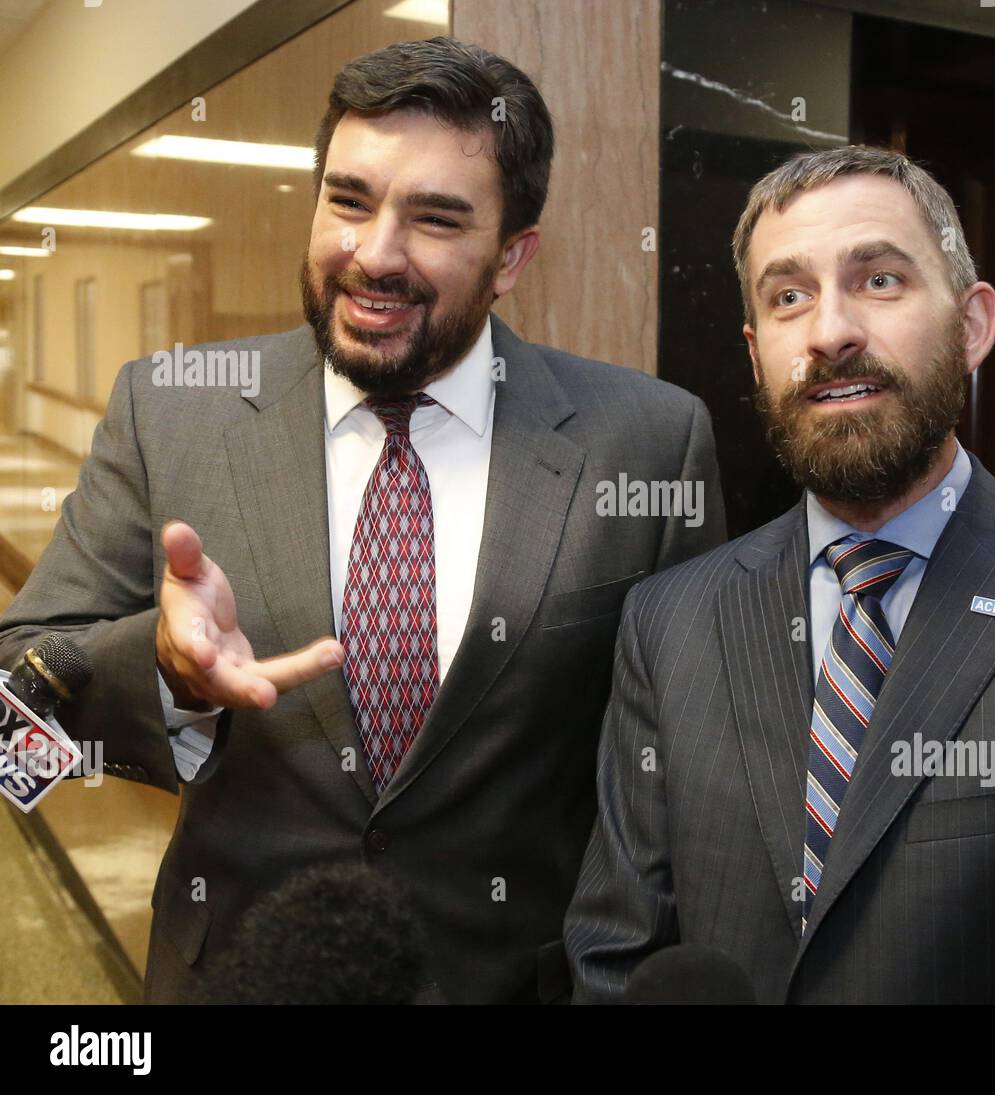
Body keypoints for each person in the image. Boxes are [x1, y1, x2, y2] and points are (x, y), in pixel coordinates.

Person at [0, 37, 725, 1004]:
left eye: (435, 218)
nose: (374, 253)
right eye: (348, 199)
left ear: (513, 256)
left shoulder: (648, 441)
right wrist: (167, 674)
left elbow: (686, 773)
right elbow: (16, 735)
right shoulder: (169, 409)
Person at [564, 145, 995, 1004]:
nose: (830, 331)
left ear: (972, 323)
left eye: (879, 281)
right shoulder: (669, 623)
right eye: (788, 296)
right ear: (754, 352)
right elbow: (615, 960)